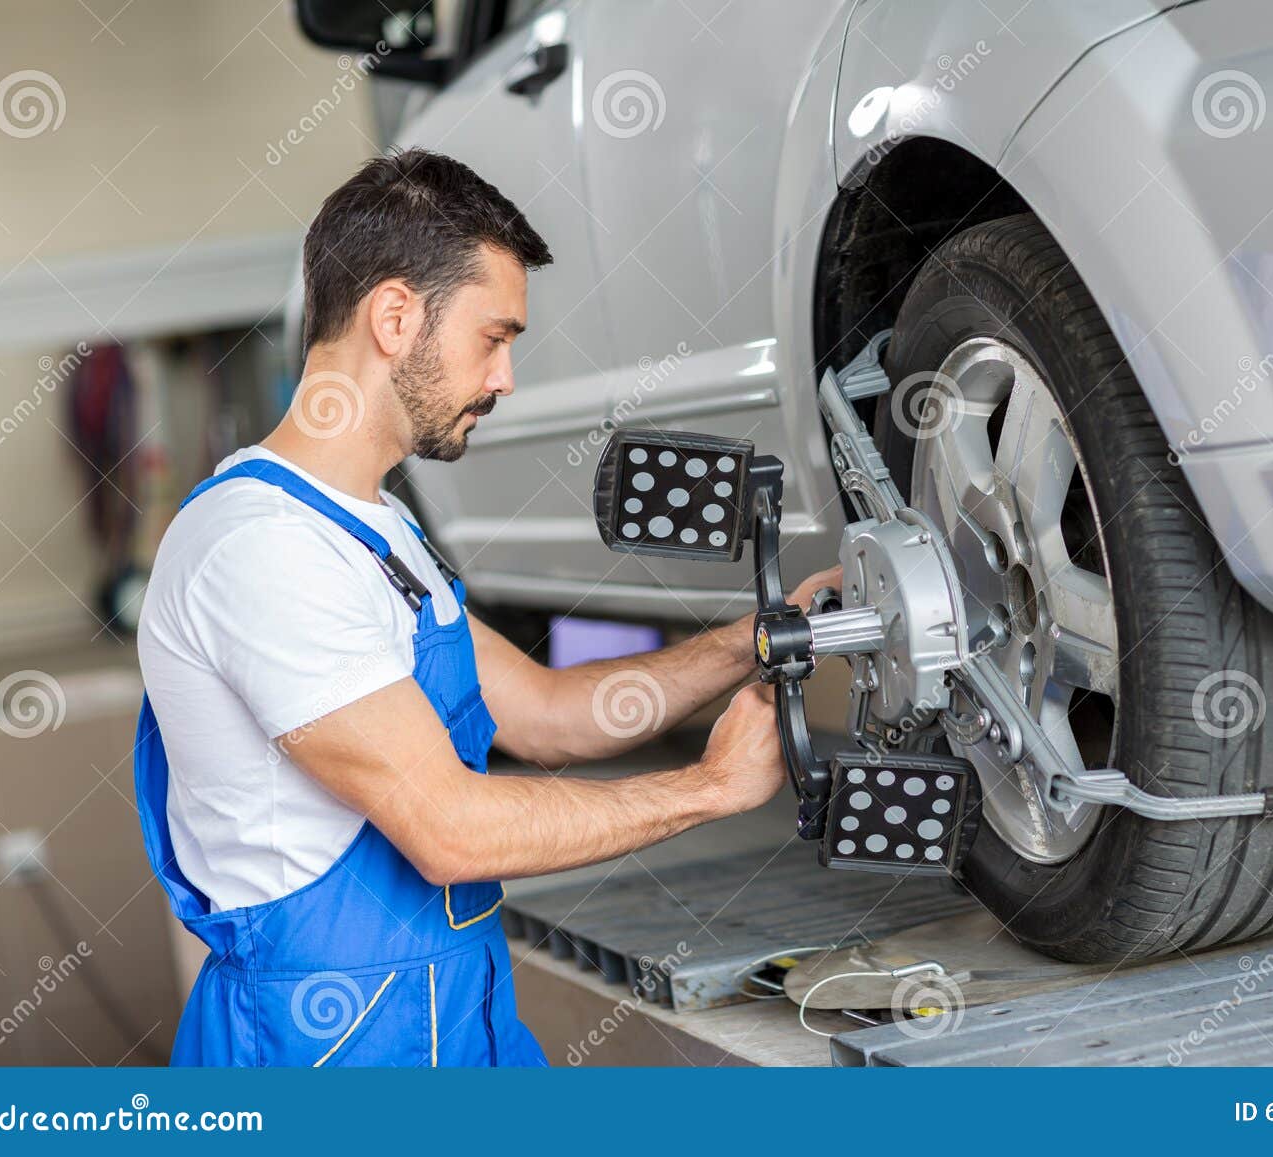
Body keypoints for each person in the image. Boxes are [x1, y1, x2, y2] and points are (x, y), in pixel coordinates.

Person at [133, 148, 837, 1067]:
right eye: (494, 337)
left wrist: (752, 642)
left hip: (457, 1012)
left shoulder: (379, 530)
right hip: (324, 1047)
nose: (505, 379)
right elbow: (450, 829)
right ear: (394, 317)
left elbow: (548, 714)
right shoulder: (260, 548)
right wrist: (709, 789)